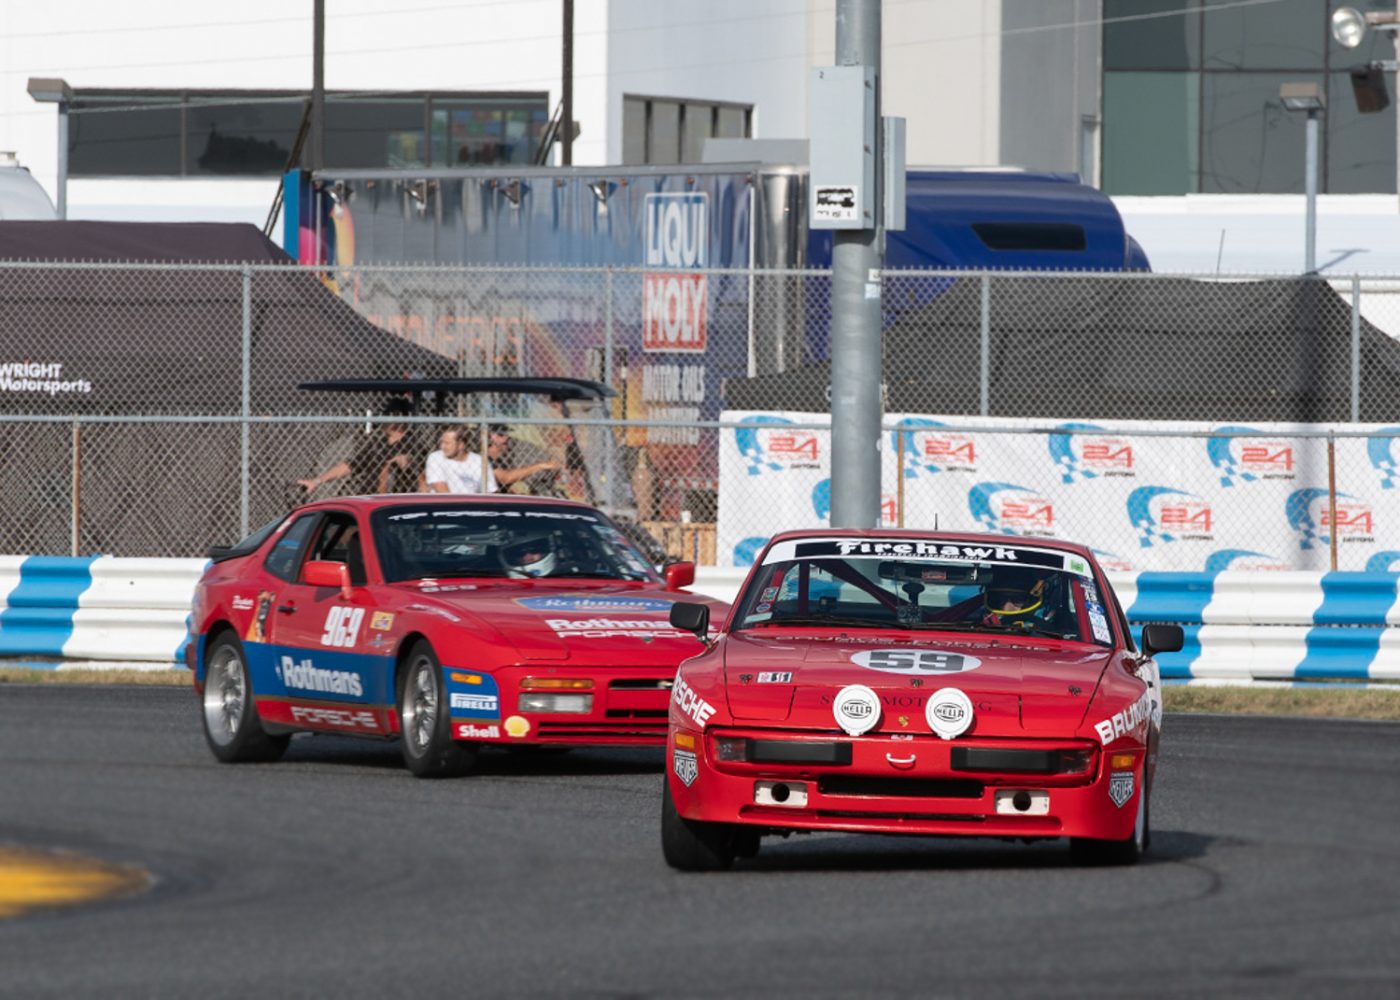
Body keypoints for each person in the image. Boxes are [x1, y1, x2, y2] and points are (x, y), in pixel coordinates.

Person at [298, 398, 417, 497]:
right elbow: (350, 465)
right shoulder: (378, 443)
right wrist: (317, 481)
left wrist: (404, 461)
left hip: (396, 499)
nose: (384, 420)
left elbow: (417, 468)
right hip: (369, 497)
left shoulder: (412, 443)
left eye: (389, 416)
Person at [485, 424, 561, 494]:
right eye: (500, 434)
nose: (506, 437)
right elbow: (506, 478)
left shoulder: (516, 448)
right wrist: (539, 466)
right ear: (487, 435)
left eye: (506, 433)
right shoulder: (480, 455)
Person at [979, 566, 1061, 629]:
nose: (1006, 608)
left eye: (1017, 600)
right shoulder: (978, 624)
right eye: (1000, 600)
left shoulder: (1052, 631)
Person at [425, 426, 498, 494]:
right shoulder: (436, 457)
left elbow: (491, 491)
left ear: (461, 445)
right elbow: (441, 489)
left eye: (447, 443)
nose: (442, 446)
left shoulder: (480, 462)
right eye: (442, 442)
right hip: (444, 505)